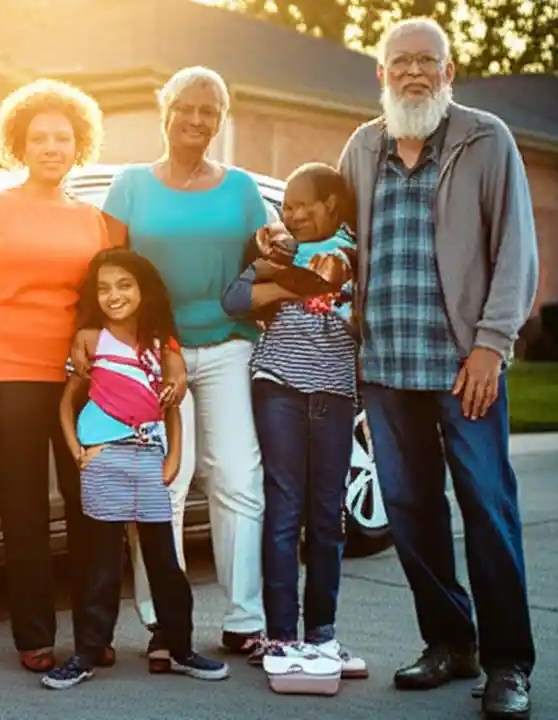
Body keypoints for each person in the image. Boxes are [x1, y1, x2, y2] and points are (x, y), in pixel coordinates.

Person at [333, 17, 538, 719]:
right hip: (387, 367)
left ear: (449, 74)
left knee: (488, 508)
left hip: (464, 367)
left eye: (428, 62)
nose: (414, 72)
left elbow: (515, 249)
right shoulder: (362, 146)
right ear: (381, 74)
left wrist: (492, 343)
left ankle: (510, 663)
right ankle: (451, 642)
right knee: (413, 514)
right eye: (401, 62)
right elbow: (339, 243)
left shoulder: (487, 140)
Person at [74, 65, 269, 667]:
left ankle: (244, 621)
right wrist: (87, 323)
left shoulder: (241, 190)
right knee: (162, 486)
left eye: (209, 110)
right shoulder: (131, 185)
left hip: (228, 347)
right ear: (166, 111)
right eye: (186, 106)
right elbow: (104, 265)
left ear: (220, 120)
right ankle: (165, 623)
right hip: (151, 355)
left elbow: (265, 268)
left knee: (237, 476)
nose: (196, 118)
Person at [0, 78, 128, 673]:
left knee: (91, 506)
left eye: (62, 137)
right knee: (23, 509)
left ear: (79, 145)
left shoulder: (96, 222)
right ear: (19, 145)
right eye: (39, 138)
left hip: (84, 382)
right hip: (9, 378)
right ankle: (33, 634)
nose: (51, 147)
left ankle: (95, 631)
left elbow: (111, 302)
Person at [42, 248, 229, 689]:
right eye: (104, 288)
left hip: (149, 460)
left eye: (124, 285)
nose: (114, 295)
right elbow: (68, 401)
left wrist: (174, 458)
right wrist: (77, 451)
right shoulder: (89, 340)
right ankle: (87, 652)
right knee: (102, 563)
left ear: (145, 290)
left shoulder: (160, 343)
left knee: (163, 559)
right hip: (103, 458)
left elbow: (172, 406)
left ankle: (180, 647)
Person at [222, 162, 369, 685]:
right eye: (287, 207)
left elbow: (363, 315)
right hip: (279, 386)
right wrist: (286, 278)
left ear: (333, 205)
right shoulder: (275, 252)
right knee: (284, 510)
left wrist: (282, 282)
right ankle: (282, 635)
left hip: (334, 393)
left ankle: (322, 634)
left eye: (306, 204)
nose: (295, 214)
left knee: (328, 518)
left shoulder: (358, 255)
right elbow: (236, 300)